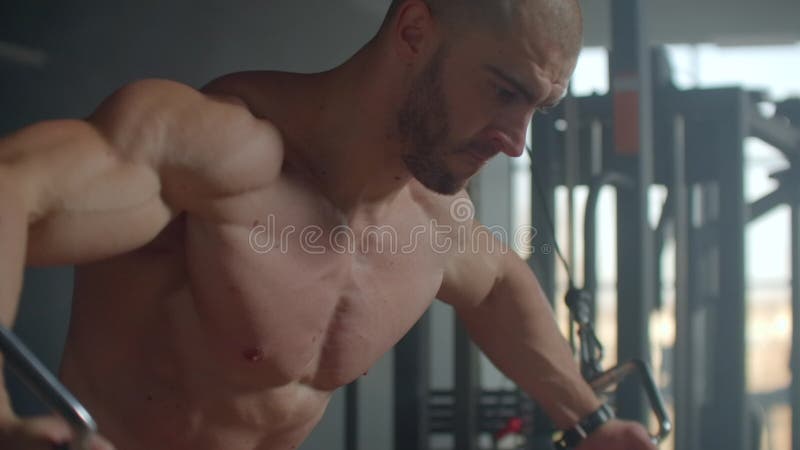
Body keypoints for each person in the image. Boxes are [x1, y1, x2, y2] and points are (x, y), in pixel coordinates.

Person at [0, 0, 658, 449]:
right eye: (504, 90)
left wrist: (589, 420)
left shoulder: (434, 221)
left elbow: (498, 287)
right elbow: (11, 188)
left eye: (539, 107)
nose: (518, 140)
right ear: (413, 32)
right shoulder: (219, 153)